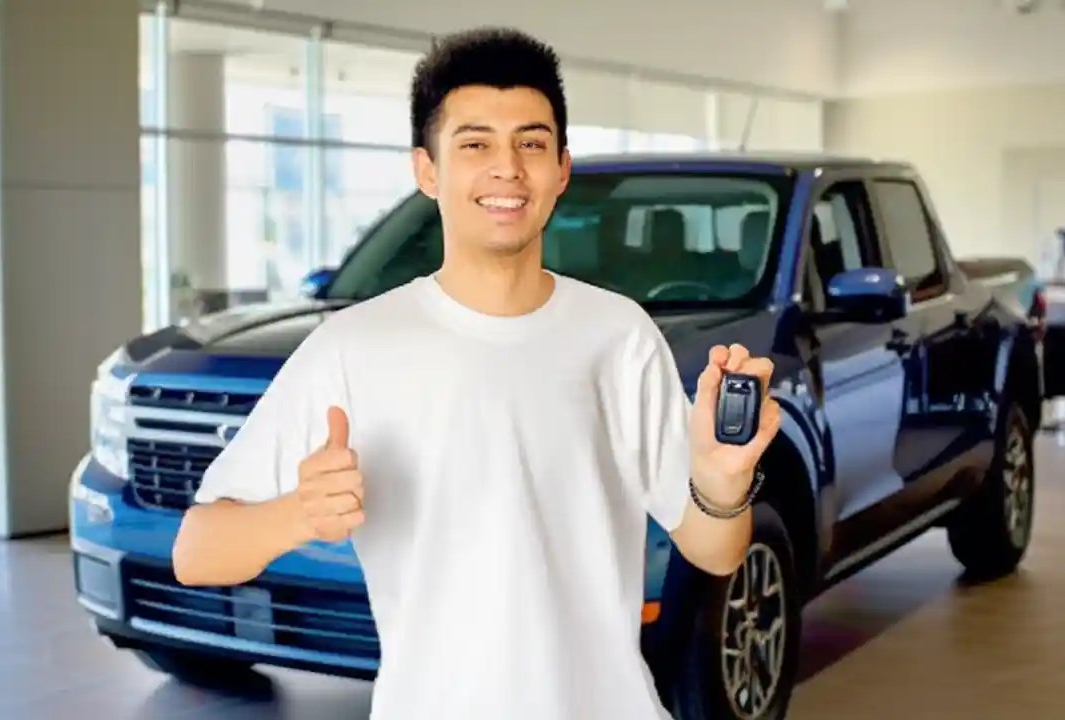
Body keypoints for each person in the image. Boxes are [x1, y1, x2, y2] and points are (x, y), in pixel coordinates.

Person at [172, 26, 782, 720]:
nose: (508, 169)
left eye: (531, 142)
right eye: (474, 144)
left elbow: (716, 550)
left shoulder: (618, 335)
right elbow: (197, 553)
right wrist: (297, 515)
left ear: (561, 169)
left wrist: (722, 482)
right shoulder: (354, 346)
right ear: (426, 170)